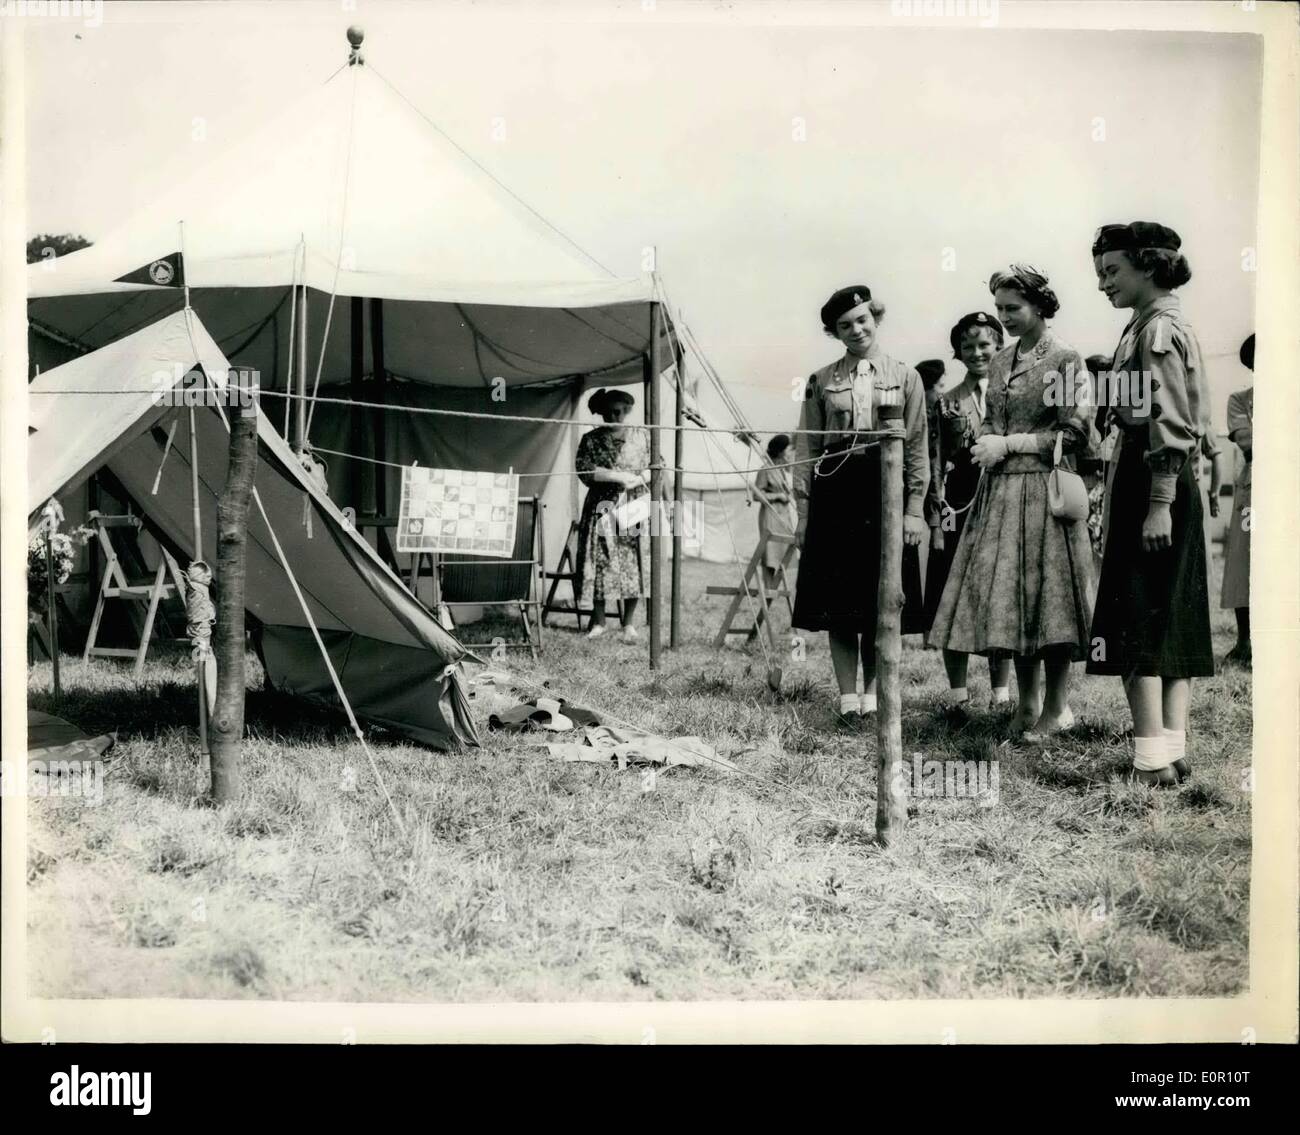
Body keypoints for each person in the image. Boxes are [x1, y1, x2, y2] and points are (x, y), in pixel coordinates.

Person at [927, 266, 1095, 740]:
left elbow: (1075, 431)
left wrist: (1011, 443)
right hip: (1001, 496)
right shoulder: (1001, 361)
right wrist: (984, 440)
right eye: (1000, 308)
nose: (1006, 317)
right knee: (1015, 605)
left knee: (1052, 605)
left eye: (1013, 308)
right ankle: (1026, 706)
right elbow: (993, 422)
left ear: (1040, 305)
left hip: (1047, 493)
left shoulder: (1066, 359)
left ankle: (1058, 708)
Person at [1087, 222, 1214, 786]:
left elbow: (1169, 422)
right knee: (1169, 612)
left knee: (1137, 614)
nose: (1103, 284)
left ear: (1147, 266)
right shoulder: (1149, 326)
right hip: (1162, 475)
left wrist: (1158, 502)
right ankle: (1170, 749)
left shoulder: (1155, 332)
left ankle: (1149, 760)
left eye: (1112, 271)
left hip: (1154, 476)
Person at [792, 285, 929, 727]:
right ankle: (848, 698)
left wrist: (913, 508)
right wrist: (803, 513)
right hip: (836, 492)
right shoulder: (820, 380)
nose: (856, 330)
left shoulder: (906, 377)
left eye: (862, 320)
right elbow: (804, 449)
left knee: (881, 599)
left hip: (884, 491)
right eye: (844, 325)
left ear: (876, 318)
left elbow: (918, 447)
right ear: (835, 332)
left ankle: (874, 695)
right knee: (839, 603)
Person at [922, 313, 1013, 708]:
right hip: (957, 509)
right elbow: (934, 461)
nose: (977, 353)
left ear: (999, 347)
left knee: (1000, 598)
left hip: (1003, 505)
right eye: (969, 347)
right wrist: (938, 525)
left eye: (985, 346)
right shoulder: (946, 403)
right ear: (958, 352)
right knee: (949, 598)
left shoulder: (1012, 394)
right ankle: (957, 697)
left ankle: (1002, 694)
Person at [574, 387, 651, 643]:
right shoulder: (591, 439)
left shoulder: (642, 436)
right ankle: (599, 622)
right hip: (602, 502)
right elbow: (583, 470)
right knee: (598, 559)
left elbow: (656, 464)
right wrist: (614, 475)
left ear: (627, 411)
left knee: (632, 559)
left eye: (618, 411)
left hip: (633, 502)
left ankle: (628, 623)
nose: (614, 417)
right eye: (609, 412)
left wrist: (640, 477)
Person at [902, 359, 947, 635]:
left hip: (932, 503)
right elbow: (930, 467)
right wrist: (934, 515)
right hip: (925, 503)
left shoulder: (938, 416)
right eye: (940, 386)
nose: (943, 392)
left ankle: (930, 629)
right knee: (926, 566)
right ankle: (927, 630)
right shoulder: (922, 420)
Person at [1221, 333, 1254, 667]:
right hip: (1254, 487)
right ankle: (1244, 642)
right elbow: (1249, 445)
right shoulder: (1240, 400)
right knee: (1244, 561)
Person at [753, 433, 798, 590]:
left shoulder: (782, 470)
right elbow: (756, 495)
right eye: (787, 450)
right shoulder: (765, 469)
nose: (789, 453)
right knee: (770, 552)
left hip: (783, 516)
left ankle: (776, 587)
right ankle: (768, 589)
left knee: (782, 551)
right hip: (771, 515)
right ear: (780, 451)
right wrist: (778, 495)